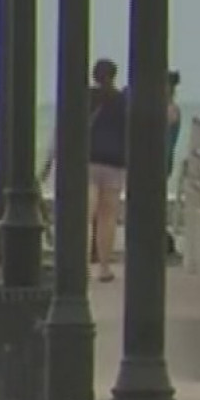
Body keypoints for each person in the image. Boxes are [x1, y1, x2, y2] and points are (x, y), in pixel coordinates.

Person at [88, 59, 128, 282]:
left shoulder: (86, 98)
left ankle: (81, 266)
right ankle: (104, 267)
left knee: (85, 216)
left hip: (88, 161)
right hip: (114, 162)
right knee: (108, 216)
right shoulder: (122, 100)